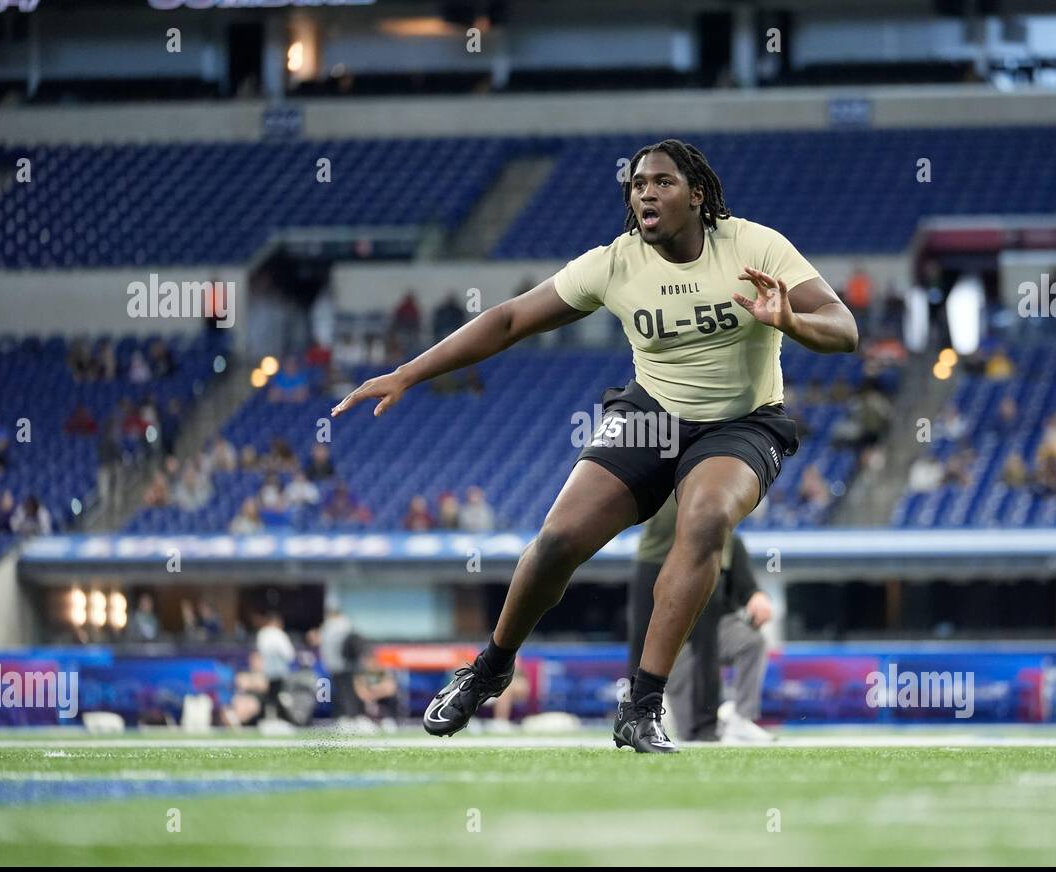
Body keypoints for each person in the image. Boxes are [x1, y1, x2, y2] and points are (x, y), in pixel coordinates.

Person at [332, 138, 857, 752]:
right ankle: (489, 669)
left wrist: (791, 320)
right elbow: (507, 321)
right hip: (652, 412)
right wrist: (408, 372)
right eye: (636, 185)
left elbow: (843, 329)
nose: (645, 193)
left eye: (661, 182)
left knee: (707, 517)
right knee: (557, 541)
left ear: (698, 194)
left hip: (741, 422)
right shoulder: (616, 262)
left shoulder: (754, 246)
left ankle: (641, 707)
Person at [628, 493, 773, 743]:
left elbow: (746, 585)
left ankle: (730, 719)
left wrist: (757, 595)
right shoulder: (661, 539)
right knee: (666, 659)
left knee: (714, 648)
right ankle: (640, 715)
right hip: (676, 650)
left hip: (713, 624)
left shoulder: (729, 541)